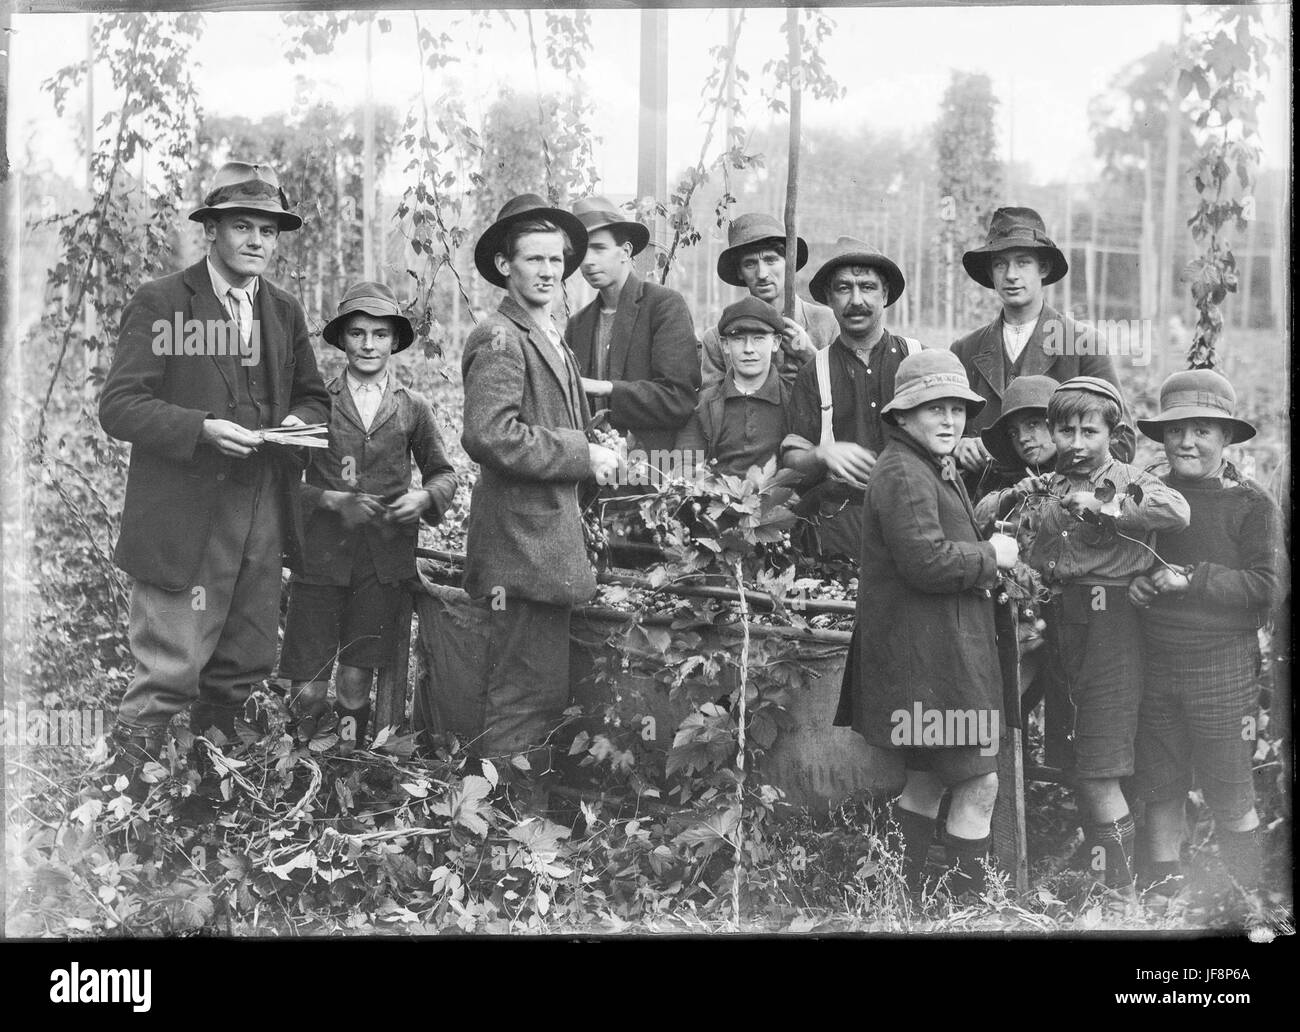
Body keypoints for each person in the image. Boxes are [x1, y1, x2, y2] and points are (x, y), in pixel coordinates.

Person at [98, 161, 329, 766]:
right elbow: (120, 406)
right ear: (212, 231)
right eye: (242, 227)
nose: (256, 241)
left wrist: (299, 422)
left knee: (243, 661)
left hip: (262, 508)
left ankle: (207, 789)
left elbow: (313, 394)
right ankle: (129, 802)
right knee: (172, 664)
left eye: (268, 231)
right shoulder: (164, 302)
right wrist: (200, 430)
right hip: (186, 510)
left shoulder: (282, 311)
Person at [834, 349, 1020, 897]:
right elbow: (927, 562)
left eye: (957, 409)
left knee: (927, 778)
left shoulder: (922, 464)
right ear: (902, 416)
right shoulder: (905, 473)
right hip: (932, 659)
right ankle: (964, 909)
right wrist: (993, 555)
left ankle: (901, 897)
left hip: (929, 656)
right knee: (979, 782)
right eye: (933, 408)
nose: (949, 420)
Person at [461, 194, 620, 798]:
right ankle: (509, 834)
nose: (549, 271)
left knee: (543, 692)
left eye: (557, 259)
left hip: (545, 544)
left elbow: (545, 421)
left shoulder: (549, 335)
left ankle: (519, 826)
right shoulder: (501, 337)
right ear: (506, 266)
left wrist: (595, 445)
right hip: (519, 549)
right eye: (534, 259)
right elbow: (489, 433)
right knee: (523, 698)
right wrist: (580, 453)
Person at [1026, 376, 1190, 906]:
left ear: (1111, 432)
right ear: (1052, 432)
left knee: (1101, 765)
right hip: (1063, 624)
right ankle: (1111, 884)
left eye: (1089, 431)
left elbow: (1176, 512)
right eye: (1065, 430)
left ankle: (1122, 898)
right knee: (1080, 762)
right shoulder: (1046, 486)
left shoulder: (1132, 480)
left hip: (1113, 625)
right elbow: (1009, 526)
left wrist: (1103, 506)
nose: (1077, 443)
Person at [1127, 370, 1287, 907]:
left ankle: (1249, 895)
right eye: (1176, 430)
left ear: (1226, 438)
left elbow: (1268, 588)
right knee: (1161, 782)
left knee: (1229, 782)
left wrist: (1190, 578)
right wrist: (1141, 588)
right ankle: (1163, 890)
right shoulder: (1148, 498)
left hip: (1222, 667)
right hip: (1156, 662)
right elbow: (1131, 563)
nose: (1187, 442)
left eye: (1202, 430)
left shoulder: (1251, 504)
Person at [277, 282, 458, 754]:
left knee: (356, 681)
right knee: (309, 685)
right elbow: (282, 482)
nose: (369, 344)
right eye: (357, 333)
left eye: (380, 334)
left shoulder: (413, 408)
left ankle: (346, 768)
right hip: (319, 559)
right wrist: (333, 501)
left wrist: (423, 500)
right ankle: (300, 763)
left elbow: (443, 474)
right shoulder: (318, 404)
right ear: (341, 341)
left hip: (381, 564)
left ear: (395, 341)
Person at [950, 206, 1134, 495]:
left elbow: (1122, 442)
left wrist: (1054, 461)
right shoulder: (966, 349)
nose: (1011, 275)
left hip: (1063, 506)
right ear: (990, 272)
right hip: (983, 509)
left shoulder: (1082, 342)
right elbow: (941, 433)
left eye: (1023, 262)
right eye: (1000, 264)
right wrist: (959, 445)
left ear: (1043, 269)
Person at [780, 236, 916, 563]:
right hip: (839, 530)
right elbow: (793, 459)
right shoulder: (816, 371)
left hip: (913, 522)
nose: (856, 300)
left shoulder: (917, 359)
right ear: (829, 297)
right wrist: (821, 453)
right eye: (844, 288)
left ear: (885, 294)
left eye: (867, 287)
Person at [565, 195, 699, 461]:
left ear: (626, 251)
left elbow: (679, 400)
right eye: (582, 252)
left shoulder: (663, 306)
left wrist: (607, 388)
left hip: (650, 473)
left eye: (599, 248)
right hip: (593, 475)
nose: (588, 261)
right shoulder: (577, 324)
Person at [699, 212, 838, 391]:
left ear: (789, 263)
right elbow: (710, 405)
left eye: (771, 260)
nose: (762, 274)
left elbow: (846, 394)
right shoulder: (718, 337)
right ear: (740, 272)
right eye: (750, 264)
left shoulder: (826, 323)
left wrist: (809, 355)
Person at [675, 296, 791, 476]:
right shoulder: (707, 403)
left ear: (775, 342)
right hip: (718, 498)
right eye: (738, 339)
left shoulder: (792, 397)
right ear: (725, 345)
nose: (748, 349)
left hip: (779, 498)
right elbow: (685, 463)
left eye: (759, 338)